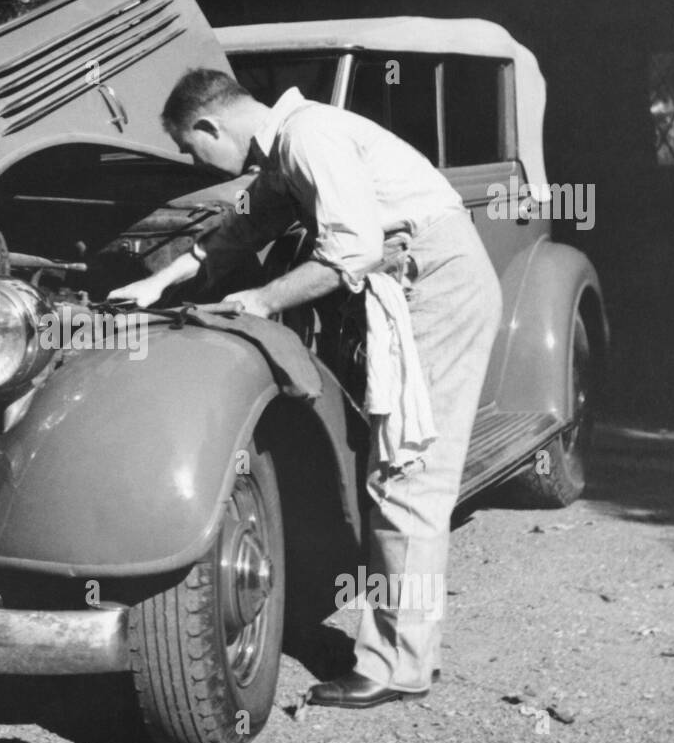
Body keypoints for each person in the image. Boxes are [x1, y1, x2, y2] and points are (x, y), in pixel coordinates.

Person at [109, 69, 502, 708]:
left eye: (190, 147)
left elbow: (350, 252)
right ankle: (408, 655)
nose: (191, 161)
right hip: (421, 282)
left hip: (438, 285)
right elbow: (244, 229)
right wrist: (162, 282)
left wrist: (261, 300)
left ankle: (396, 666)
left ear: (211, 126)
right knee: (401, 477)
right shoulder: (290, 141)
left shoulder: (308, 137)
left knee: (408, 478)